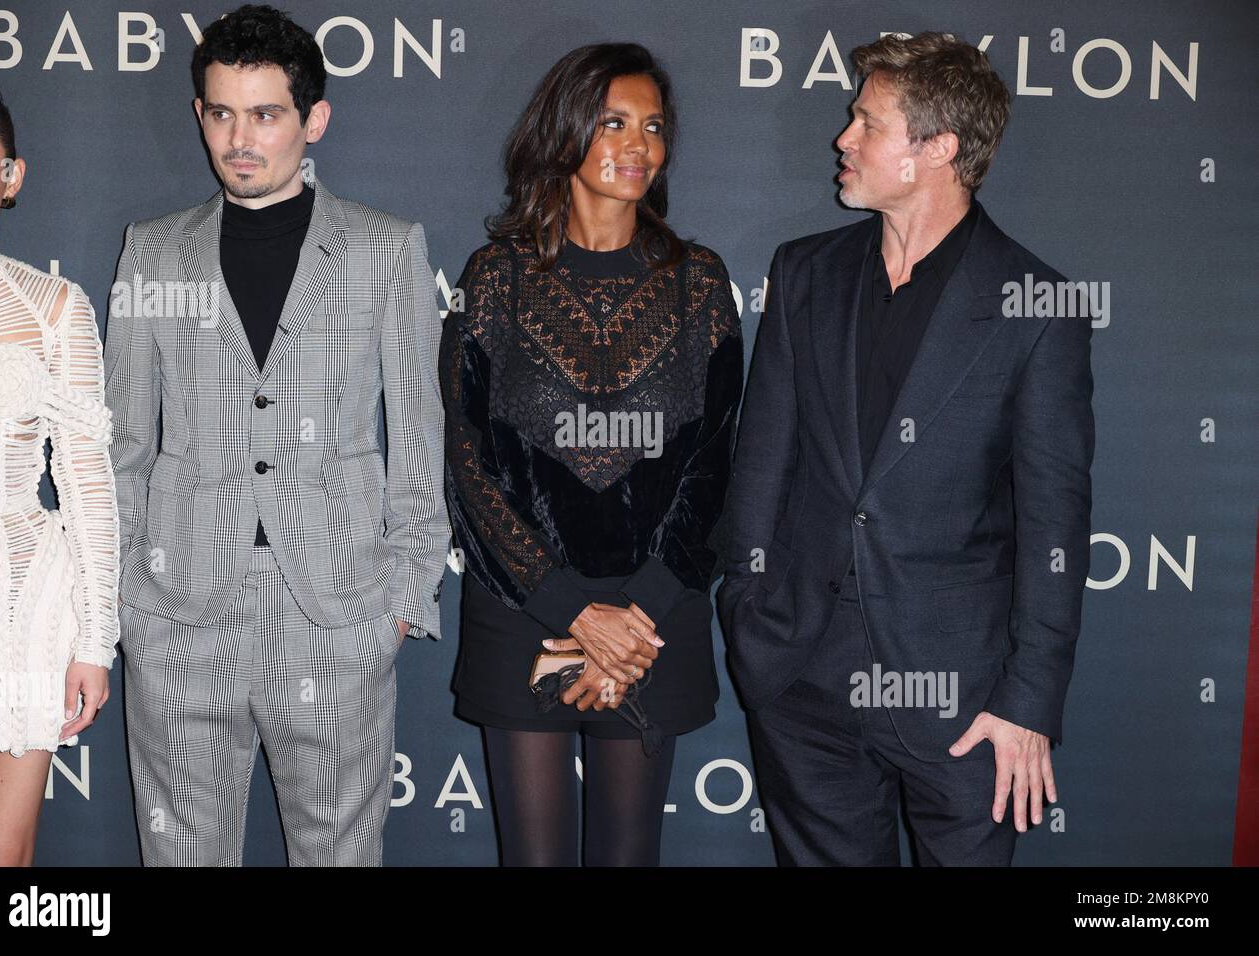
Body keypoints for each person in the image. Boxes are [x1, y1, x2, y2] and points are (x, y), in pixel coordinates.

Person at [717, 32, 1094, 866]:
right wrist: (748, 608)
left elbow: (1055, 523)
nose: (842, 140)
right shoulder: (805, 272)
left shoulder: (1036, 305)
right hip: (802, 674)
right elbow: (761, 461)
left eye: (866, 122)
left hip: (963, 700)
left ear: (938, 149)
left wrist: (1028, 700)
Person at [104, 4, 449, 866]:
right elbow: (122, 446)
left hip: (335, 610)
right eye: (220, 112)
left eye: (265, 113)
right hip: (179, 610)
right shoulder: (151, 253)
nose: (239, 138)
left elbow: (417, 430)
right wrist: (127, 599)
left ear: (313, 119)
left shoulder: (384, 250)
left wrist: (400, 599)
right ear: (199, 115)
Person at [440, 42, 743, 866]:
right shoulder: (497, 278)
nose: (638, 144)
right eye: (613, 121)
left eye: (652, 126)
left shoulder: (699, 283)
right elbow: (468, 464)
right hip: (522, 610)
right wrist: (570, 608)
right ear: (566, 131)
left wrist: (634, 615)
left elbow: (714, 466)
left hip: (656, 619)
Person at [0, 69, 119, 866]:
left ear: (10, 177)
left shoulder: (52, 306)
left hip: (18, 602)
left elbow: (88, 481)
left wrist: (95, 640)